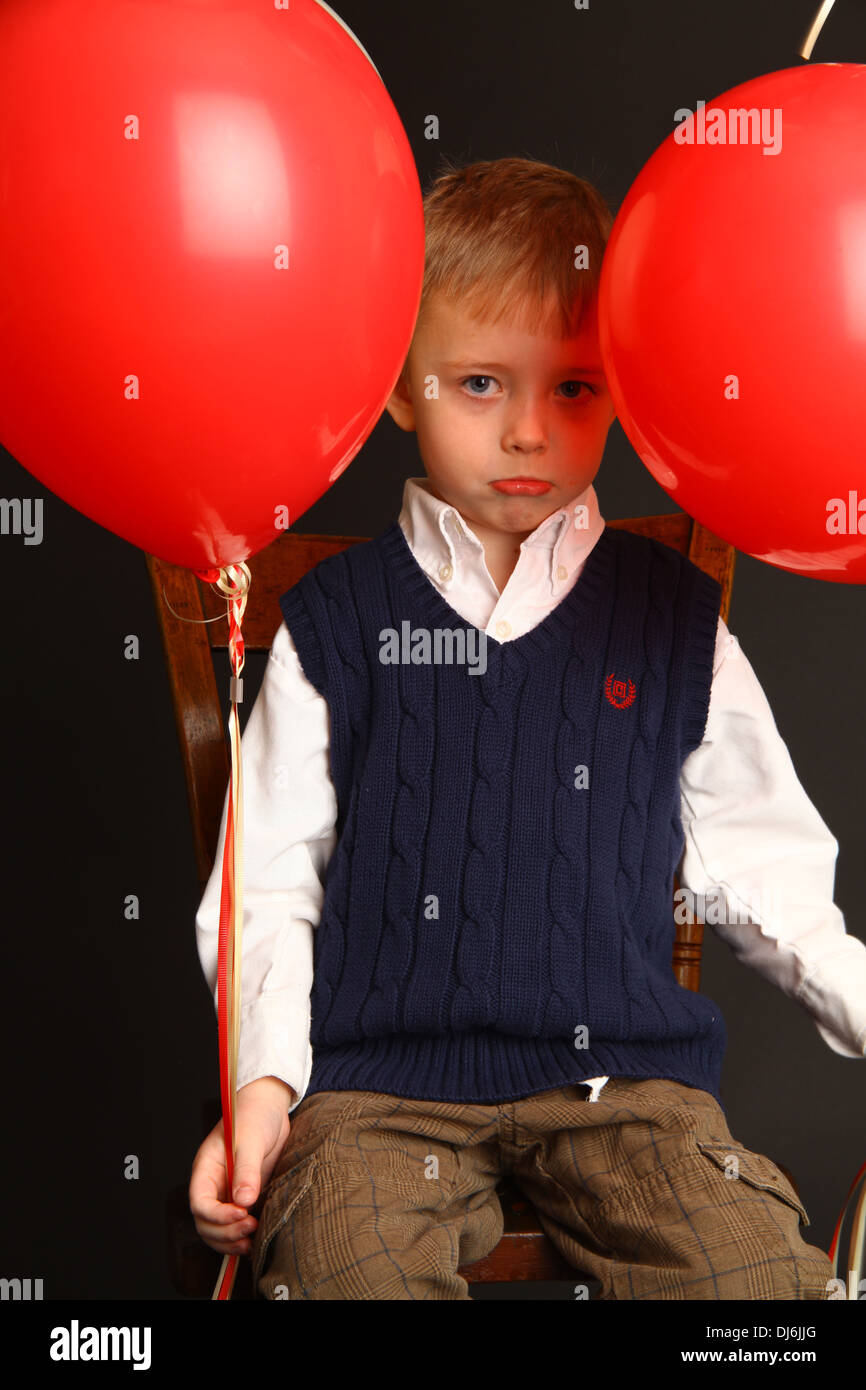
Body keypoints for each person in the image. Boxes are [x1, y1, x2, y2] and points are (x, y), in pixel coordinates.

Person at [188, 156, 866, 1300]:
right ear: (401, 386)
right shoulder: (339, 624)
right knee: (340, 1266)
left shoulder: (668, 623)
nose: (526, 435)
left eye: (573, 390)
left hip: (624, 1092)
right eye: (480, 384)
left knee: (752, 1283)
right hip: (376, 1092)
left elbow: (767, 874)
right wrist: (260, 1088)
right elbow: (267, 887)